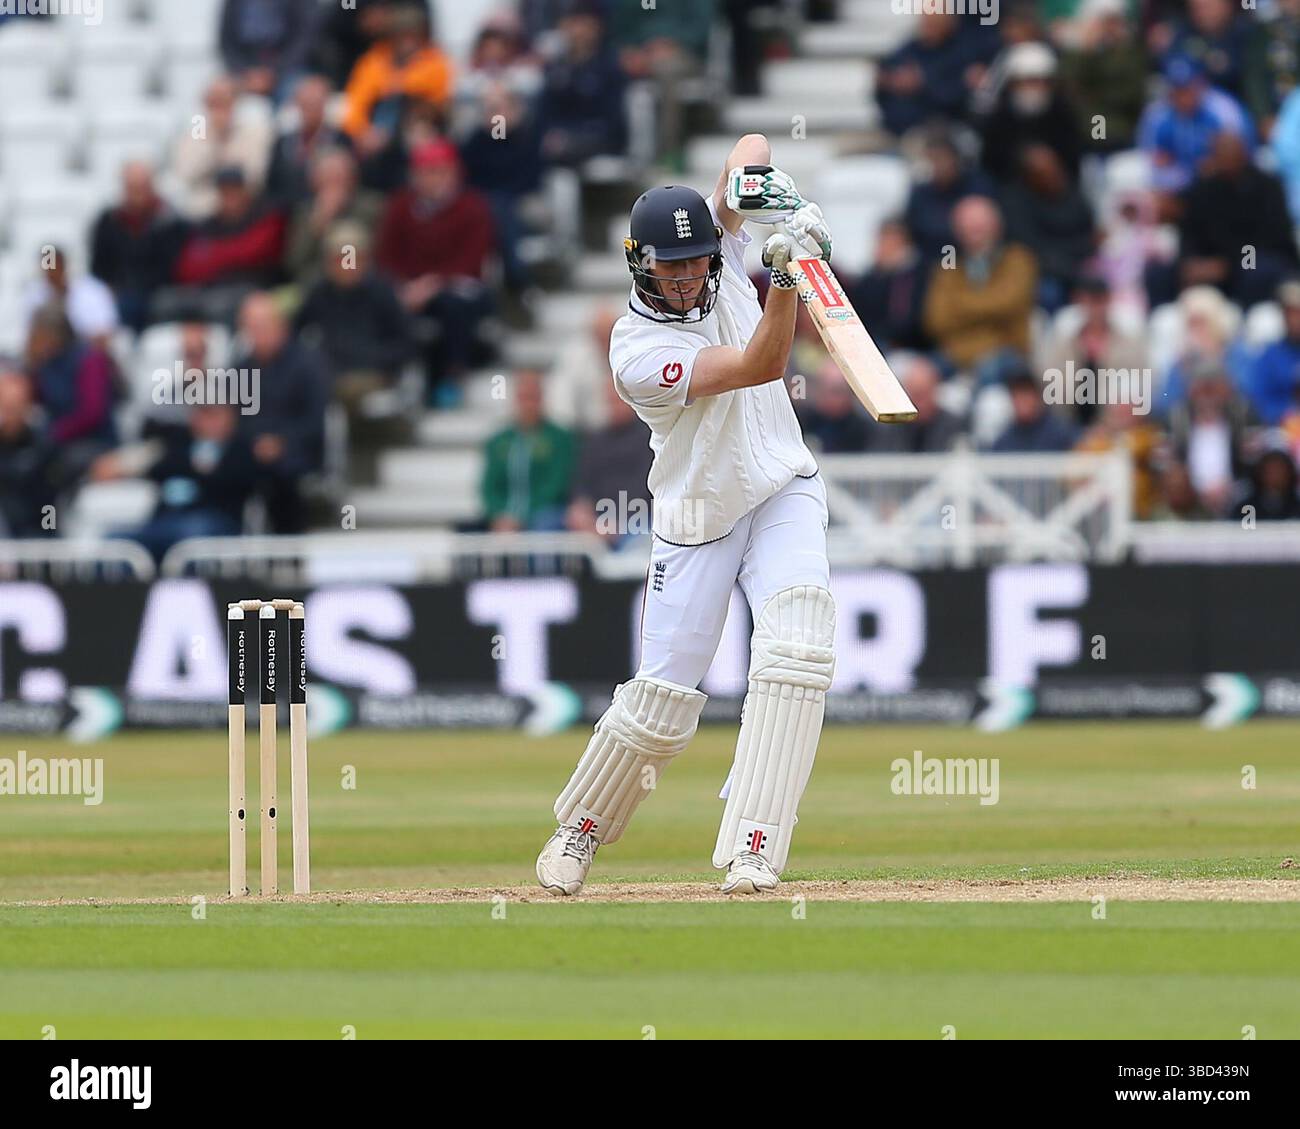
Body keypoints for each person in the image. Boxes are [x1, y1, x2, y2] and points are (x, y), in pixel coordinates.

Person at [535, 136, 837, 898]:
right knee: (662, 706)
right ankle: (582, 827)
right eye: (671, 268)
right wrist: (786, 275)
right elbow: (762, 364)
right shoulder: (636, 349)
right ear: (641, 266)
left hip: (780, 486)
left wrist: (772, 199)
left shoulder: (712, 242)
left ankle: (755, 845)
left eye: (700, 260)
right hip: (697, 516)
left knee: (797, 649)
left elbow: (749, 149)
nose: (689, 277)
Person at [375, 138, 495, 395]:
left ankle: (453, 375)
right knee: (381, 300)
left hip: (457, 286)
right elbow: (386, 256)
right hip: (409, 288)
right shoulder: (400, 206)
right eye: (427, 172)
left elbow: (472, 260)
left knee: (453, 306)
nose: (434, 179)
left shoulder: (472, 207)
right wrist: (405, 287)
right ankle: (392, 377)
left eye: (441, 172)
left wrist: (433, 284)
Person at [92, 403, 259, 562]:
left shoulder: (242, 450)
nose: (207, 421)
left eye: (213, 414)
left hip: (214, 521)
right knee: (115, 542)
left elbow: (240, 483)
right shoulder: (178, 443)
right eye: (201, 413)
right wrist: (120, 468)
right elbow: (153, 465)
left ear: (230, 417)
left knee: (192, 532)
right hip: (164, 520)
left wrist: (204, 471)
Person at [233, 292, 328, 532]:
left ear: (282, 326)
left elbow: (315, 421)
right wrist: (256, 443)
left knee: (284, 476)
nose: (257, 334)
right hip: (251, 451)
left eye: (263, 326)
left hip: (297, 451)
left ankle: (290, 550)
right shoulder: (241, 369)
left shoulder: (308, 365)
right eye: (251, 327)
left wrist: (280, 442)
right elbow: (234, 420)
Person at [294, 223, 412, 416]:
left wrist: (371, 358)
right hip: (329, 371)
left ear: (365, 260)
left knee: (347, 390)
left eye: (351, 259)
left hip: (372, 373)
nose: (346, 266)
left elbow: (404, 344)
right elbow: (294, 335)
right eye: (339, 259)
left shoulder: (382, 293)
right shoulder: (318, 293)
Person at [89, 162, 187, 332]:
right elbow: (99, 266)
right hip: (118, 294)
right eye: (132, 188)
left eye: (142, 188)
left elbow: (171, 268)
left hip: (158, 295)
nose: (137, 195)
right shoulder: (108, 222)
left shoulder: (169, 222)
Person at [480, 369, 575, 531]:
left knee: (546, 525)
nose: (528, 404)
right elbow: (489, 487)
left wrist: (521, 517)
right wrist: (501, 514)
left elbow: (557, 485)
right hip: (504, 519)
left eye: (533, 397)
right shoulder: (499, 440)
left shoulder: (560, 438)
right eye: (523, 398)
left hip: (544, 515)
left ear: (542, 399)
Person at [565, 378, 652, 545]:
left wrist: (614, 522)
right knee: (550, 523)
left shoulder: (648, 437)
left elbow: (645, 486)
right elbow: (582, 483)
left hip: (637, 516)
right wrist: (582, 511)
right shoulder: (596, 440)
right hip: (596, 519)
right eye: (610, 400)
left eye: (619, 399)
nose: (614, 405)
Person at [0, 362, 57, 538]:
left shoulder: (43, 446)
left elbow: (50, 503)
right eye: (6, 406)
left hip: (32, 538)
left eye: (17, 405)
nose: (10, 413)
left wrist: (48, 535)